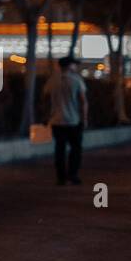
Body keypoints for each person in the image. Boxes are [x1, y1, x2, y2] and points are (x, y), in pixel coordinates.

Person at [43, 56, 88, 186]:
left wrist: (46, 116)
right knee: (76, 149)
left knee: (59, 150)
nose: (76, 67)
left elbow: (45, 98)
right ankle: (73, 175)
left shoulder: (52, 81)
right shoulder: (77, 80)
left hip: (56, 120)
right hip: (74, 121)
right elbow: (83, 101)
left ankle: (61, 177)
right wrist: (84, 119)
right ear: (69, 66)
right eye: (74, 64)